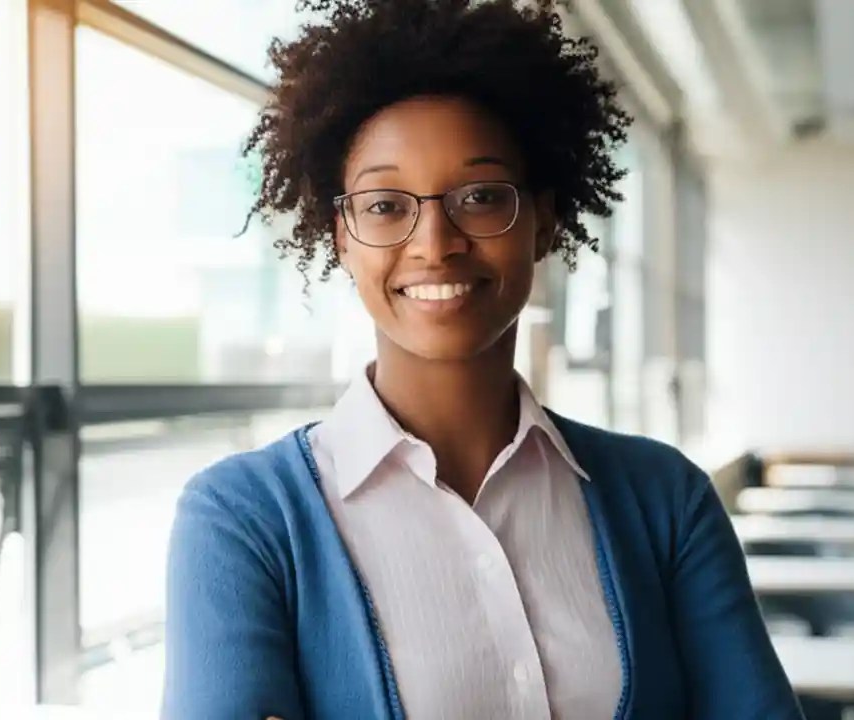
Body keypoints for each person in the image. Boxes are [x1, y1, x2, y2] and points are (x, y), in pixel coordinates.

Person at [163, 1, 801, 718]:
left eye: (481, 196)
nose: (435, 242)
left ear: (544, 221)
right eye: (384, 205)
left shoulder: (666, 502)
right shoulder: (244, 520)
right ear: (339, 236)